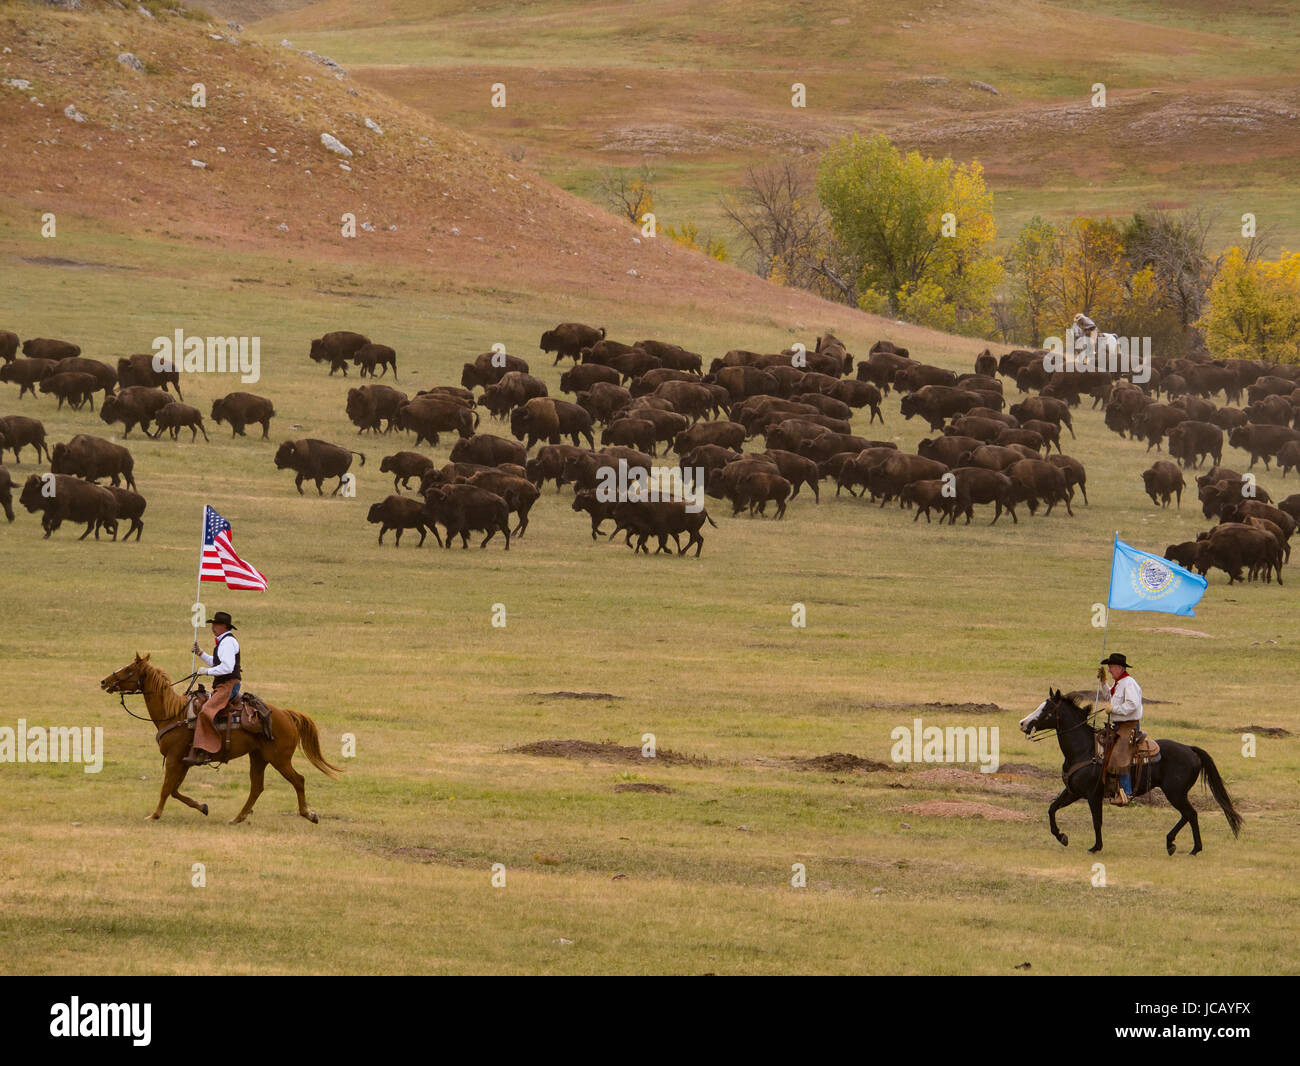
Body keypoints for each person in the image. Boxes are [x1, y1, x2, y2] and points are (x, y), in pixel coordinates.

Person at [184, 611, 242, 766]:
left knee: (205, 711)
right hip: (224, 685)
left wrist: (207, 672)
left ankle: (206, 750)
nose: (212, 628)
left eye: (215, 625)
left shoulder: (228, 642)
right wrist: (201, 653)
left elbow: (227, 667)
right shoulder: (223, 641)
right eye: (212, 625)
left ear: (224, 626)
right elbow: (217, 662)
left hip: (228, 685)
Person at [1099, 652, 1141, 806]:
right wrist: (1103, 683)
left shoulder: (1128, 683)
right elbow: (1109, 699)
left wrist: (1114, 710)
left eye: (1110, 667)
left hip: (1128, 726)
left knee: (1119, 755)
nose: (1109, 670)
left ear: (1118, 667)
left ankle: (1127, 794)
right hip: (1119, 726)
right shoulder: (1119, 683)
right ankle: (1109, 788)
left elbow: (1132, 705)